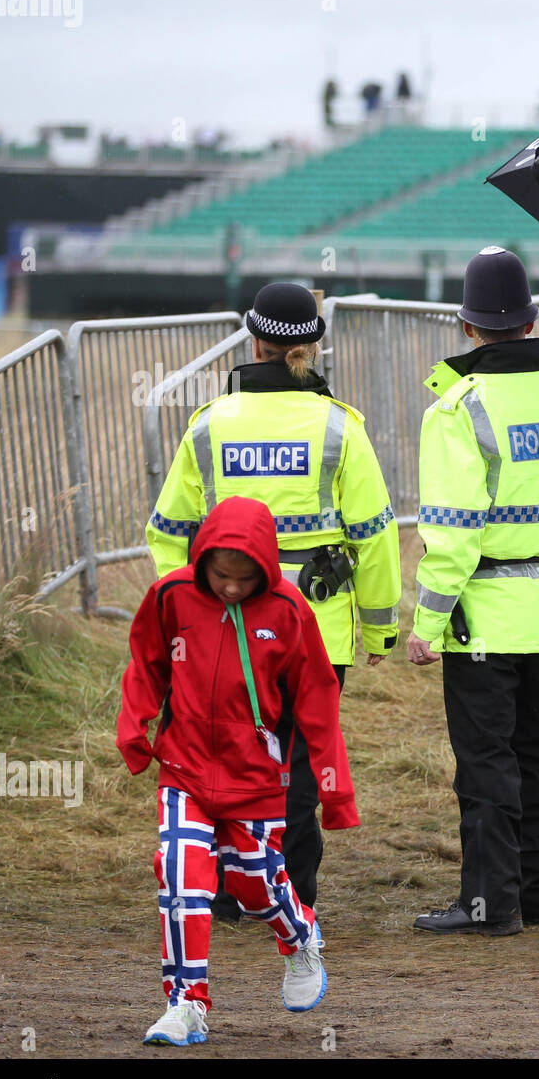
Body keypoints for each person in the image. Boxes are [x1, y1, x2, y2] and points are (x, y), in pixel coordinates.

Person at [146, 281, 400, 921]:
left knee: (226, 761)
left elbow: (170, 533)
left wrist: (184, 618)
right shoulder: (341, 428)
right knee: (301, 770)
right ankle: (292, 899)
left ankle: (229, 894)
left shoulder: (208, 426)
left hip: (221, 630)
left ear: (253, 340)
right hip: (316, 632)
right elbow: (374, 536)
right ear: (312, 347)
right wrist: (381, 632)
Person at [406, 246, 539, 936]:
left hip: (480, 621)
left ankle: (490, 904)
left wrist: (426, 624)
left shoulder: (459, 411)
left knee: (486, 765)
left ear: (469, 328)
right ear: (529, 323)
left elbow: (454, 532)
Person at [118, 496, 359, 1046]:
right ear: (201, 559)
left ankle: (300, 937)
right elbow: (146, 664)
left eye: (244, 578)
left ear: (266, 570)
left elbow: (318, 702)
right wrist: (135, 725)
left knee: (254, 888)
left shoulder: (290, 611)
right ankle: (185, 1006)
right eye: (221, 575)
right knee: (180, 880)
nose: (230, 587)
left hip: (256, 781)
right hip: (183, 771)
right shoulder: (170, 595)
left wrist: (335, 793)